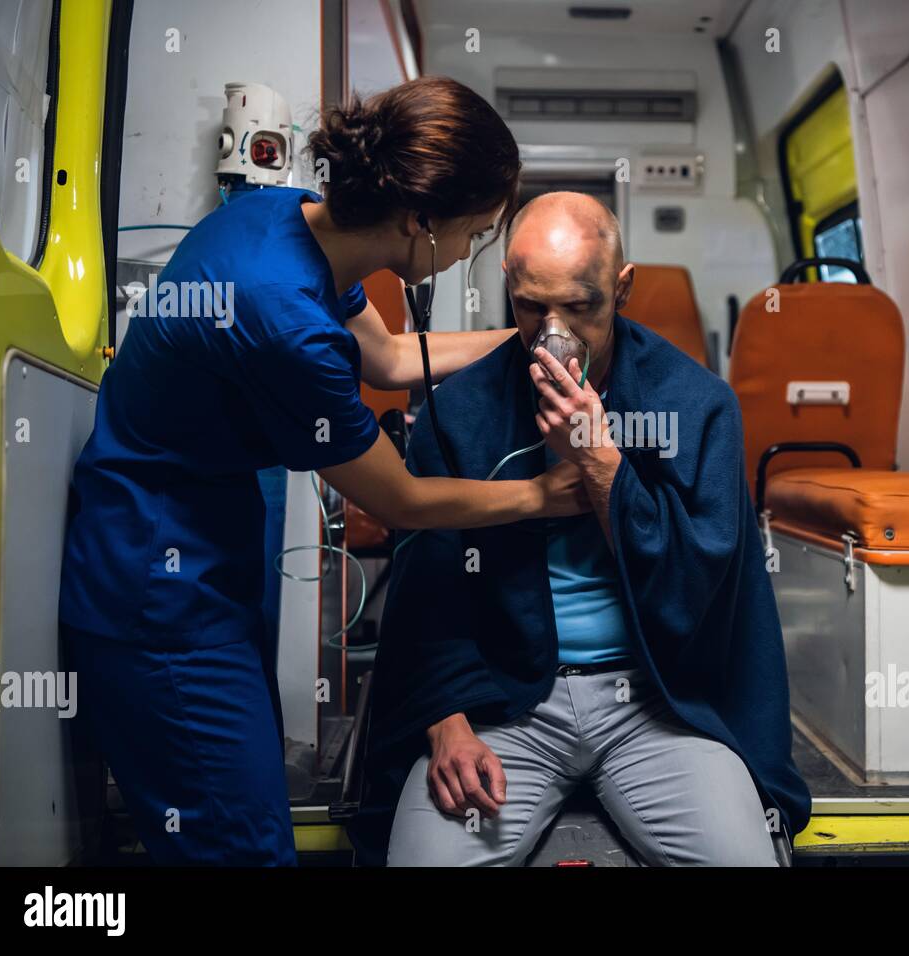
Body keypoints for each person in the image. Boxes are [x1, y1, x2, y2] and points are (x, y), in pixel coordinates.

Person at [57, 77, 586, 865]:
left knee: (235, 818)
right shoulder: (284, 322)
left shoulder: (281, 216)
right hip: (157, 599)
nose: (473, 249)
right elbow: (401, 500)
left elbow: (392, 356)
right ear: (421, 222)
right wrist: (548, 493)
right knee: (243, 851)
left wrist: (531, 337)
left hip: (196, 552)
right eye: (476, 234)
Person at [354, 192, 811, 866]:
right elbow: (429, 594)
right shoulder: (460, 411)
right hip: (503, 704)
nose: (552, 331)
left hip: (658, 704)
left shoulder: (696, 404)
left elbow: (699, 590)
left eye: (580, 306)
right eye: (533, 306)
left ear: (622, 289)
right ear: (508, 283)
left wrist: (600, 461)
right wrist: (446, 722)